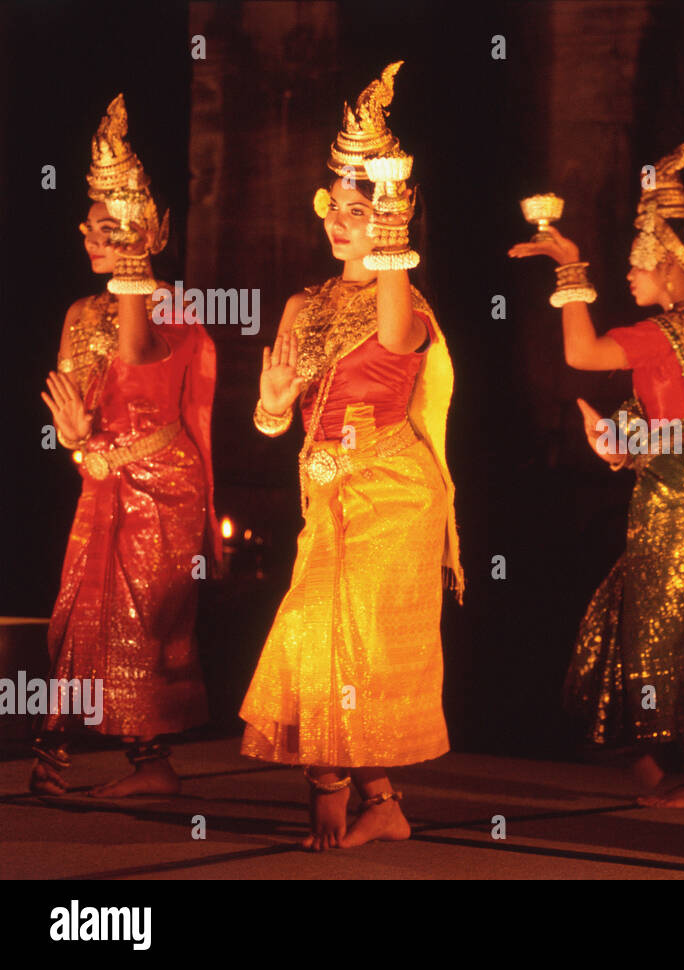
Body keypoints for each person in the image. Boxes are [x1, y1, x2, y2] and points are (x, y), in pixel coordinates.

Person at [239, 62, 464, 850]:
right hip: (325, 487)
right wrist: (271, 405)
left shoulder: (404, 301)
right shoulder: (305, 304)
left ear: (393, 221)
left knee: (339, 637)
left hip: (393, 488)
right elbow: (277, 423)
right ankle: (380, 799)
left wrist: (393, 214)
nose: (342, 220)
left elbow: (397, 341)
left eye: (360, 209)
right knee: (319, 636)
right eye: (336, 206)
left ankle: (334, 789)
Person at [509, 141, 684, 809]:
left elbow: (580, 349)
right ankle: (656, 780)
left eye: (634, 267)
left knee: (667, 640)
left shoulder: (669, 332)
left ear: (667, 269)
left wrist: (571, 267)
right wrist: (620, 440)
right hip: (668, 499)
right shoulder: (683, 335)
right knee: (623, 626)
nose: (627, 277)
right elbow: (664, 421)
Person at [34, 94, 218, 798]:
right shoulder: (80, 312)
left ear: (153, 232)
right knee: (80, 613)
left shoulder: (173, 308)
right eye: (92, 222)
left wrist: (134, 266)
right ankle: (61, 758)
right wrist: (72, 439)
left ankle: (152, 763)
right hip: (100, 480)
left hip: (162, 484)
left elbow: (139, 362)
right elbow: (73, 409)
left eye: (117, 225)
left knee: (142, 624)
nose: (95, 233)